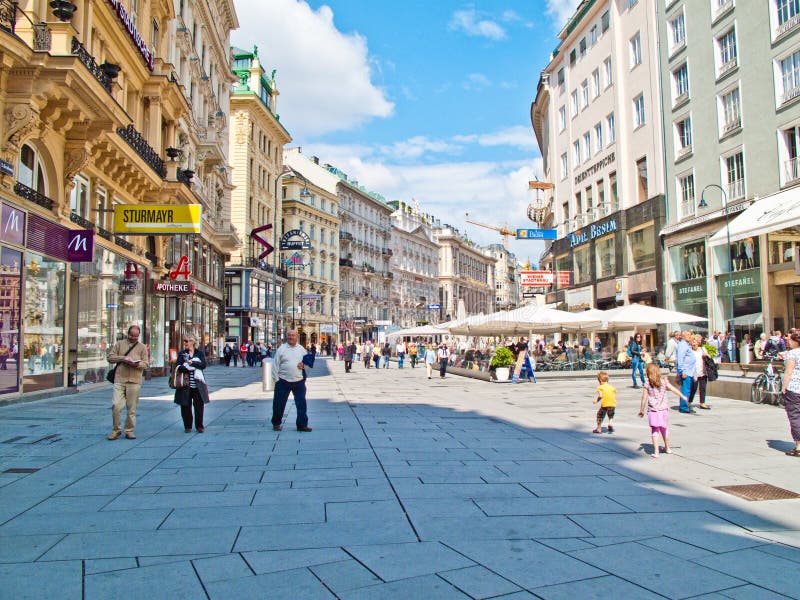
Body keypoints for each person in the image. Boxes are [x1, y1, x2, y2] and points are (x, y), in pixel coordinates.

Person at [107, 325, 149, 440]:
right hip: (120, 379)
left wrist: (137, 364)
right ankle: (116, 430)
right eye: (131, 335)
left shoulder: (142, 347)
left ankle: (129, 430)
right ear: (127, 334)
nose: (133, 338)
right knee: (116, 405)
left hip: (134, 380)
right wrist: (122, 358)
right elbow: (110, 357)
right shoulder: (120, 344)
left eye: (136, 336)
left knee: (131, 408)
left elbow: (146, 364)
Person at [639, 362, 687, 458]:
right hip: (663, 410)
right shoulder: (664, 382)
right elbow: (673, 389)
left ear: (648, 373)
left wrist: (641, 410)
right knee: (664, 429)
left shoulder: (647, 384)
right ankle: (668, 448)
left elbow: (644, 398)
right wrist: (682, 396)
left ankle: (656, 452)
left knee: (655, 430)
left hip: (653, 411)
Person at [271, 329, 312, 432]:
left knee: (301, 404)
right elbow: (275, 365)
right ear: (286, 337)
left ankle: (302, 425)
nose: (291, 337)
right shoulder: (282, 349)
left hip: (298, 381)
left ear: (296, 337)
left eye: (293, 335)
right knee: (279, 403)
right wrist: (277, 380)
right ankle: (276, 423)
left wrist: (304, 365)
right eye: (289, 335)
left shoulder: (301, 349)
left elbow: (307, 361)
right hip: (283, 381)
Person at [173, 335, 209, 433]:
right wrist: (188, 366)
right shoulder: (182, 353)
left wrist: (191, 364)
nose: (185, 343)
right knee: (185, 406)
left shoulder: (199, 353)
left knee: (199, 406)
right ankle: (187, 426)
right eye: (184, 341)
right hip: (185, 384)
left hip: (198, 385)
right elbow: (178, 366)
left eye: (187, 341)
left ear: (193, 342)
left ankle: (199, 426)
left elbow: (203, 365)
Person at [781, 330, 800, 457]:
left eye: (789, 340)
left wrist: (783, 388)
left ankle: (799, 446)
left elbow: (788, 373)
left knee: (795, 416)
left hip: (794, 389)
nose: (788, 341)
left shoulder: (792, 353)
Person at [675, 330, 697, 414]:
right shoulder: (683, 345)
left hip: (690, 371)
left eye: (689, 335)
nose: (689, 336)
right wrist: (682, 371)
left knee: (688, 390)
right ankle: (683, 407)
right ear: (682, 336)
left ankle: (685, 405)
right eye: (687, 335)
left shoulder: (686, 344)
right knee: (685, 390)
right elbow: (680, 358)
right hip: (686, 371)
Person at [688, 334, 710, 410]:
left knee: (703, 388)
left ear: (698, 342)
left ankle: (702, 403)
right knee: (693, 388)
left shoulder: (703, 349)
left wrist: (705, 356)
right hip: (694, 372)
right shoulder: (689, 350)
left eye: (695, 342)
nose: (694, 343)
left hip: (703, 371)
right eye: (692, 342)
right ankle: (689, 402)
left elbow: (709, 358)